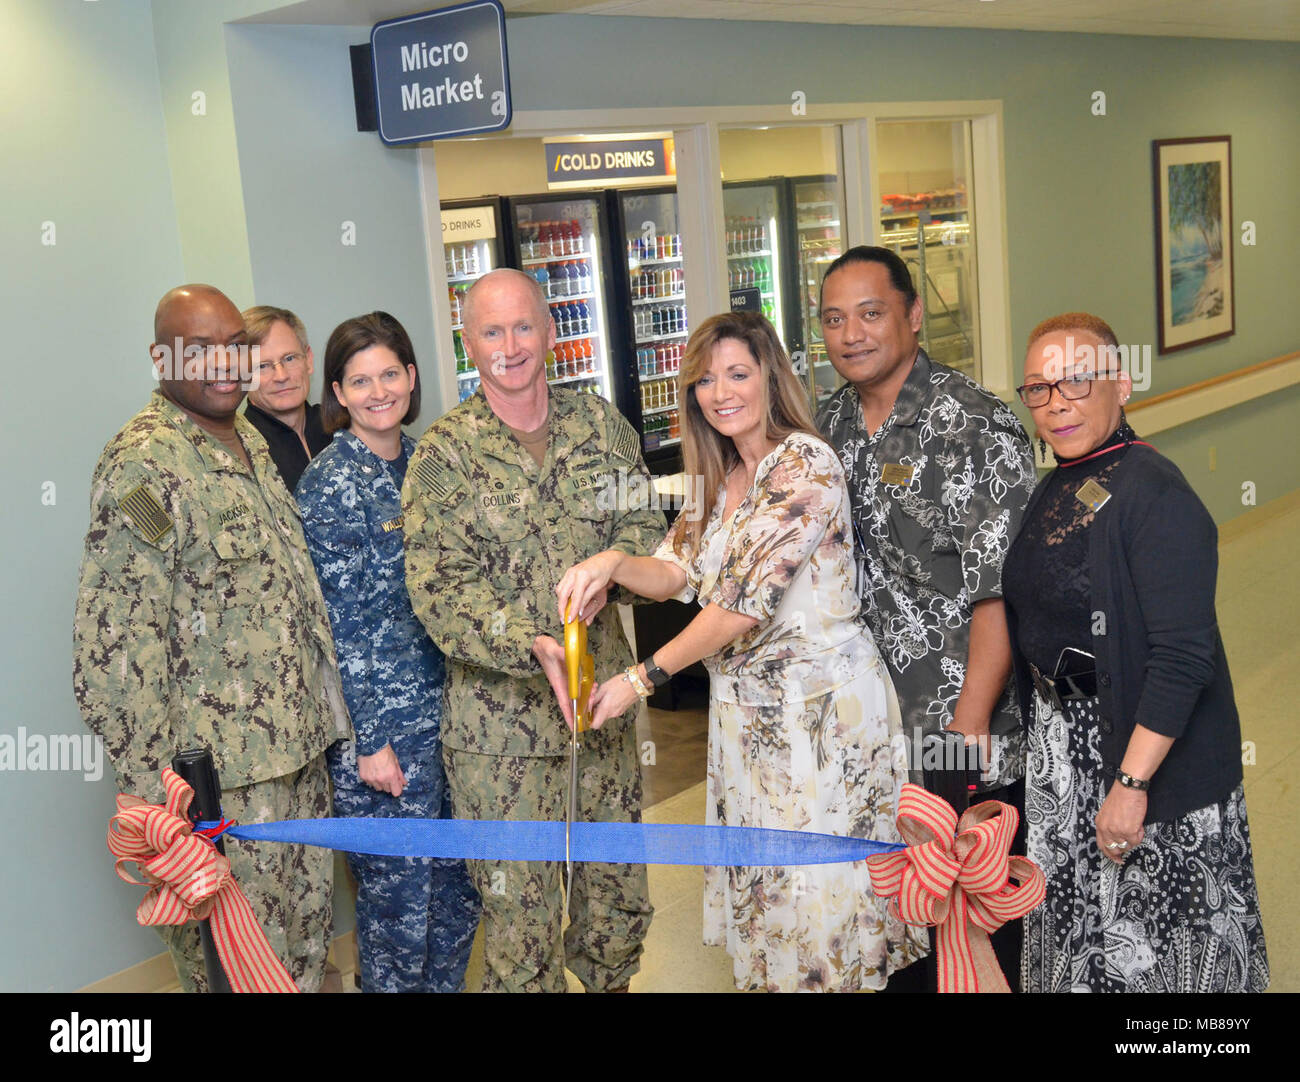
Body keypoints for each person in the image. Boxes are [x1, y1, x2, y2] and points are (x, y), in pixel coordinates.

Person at [557, 311, 928, 993]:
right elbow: (671, 572)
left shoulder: (806, 465)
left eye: (737, 373)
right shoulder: (719, 474)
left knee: (825, 907)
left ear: (769, 377)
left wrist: (637, 681)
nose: (720, 392)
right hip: (747, 719)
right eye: (704, 380)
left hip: (820, 717)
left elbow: (737, 607)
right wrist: (612, 563)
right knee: (774, 902)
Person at [73, 284, 350, 993]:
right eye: (201, 349)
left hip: (296, 762)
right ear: (161, 355)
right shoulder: (143, 464)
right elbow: (115, 653)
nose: (226, 363)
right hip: (217, 793)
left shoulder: (249, 437)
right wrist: (158, 804)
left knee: (305, 959)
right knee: (237, 974)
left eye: (235, 344)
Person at [402, 268, 661, 993]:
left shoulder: (600, 426)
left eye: (523, 328)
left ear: (550, 333)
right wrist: (529, 641)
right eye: (491, 331)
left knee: (616, 908)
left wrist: (614, 570)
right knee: (522, 931)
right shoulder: (443, 456)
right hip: (500, 739)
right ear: (468, 341)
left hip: (601, 714)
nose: (510, 347)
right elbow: (439, 588)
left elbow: (644, 529)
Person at [1003, 312, 1269, 993]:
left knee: (1159, 948)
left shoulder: (1155, 492)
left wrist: (1129, 785)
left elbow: (1183, 655)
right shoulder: (1063, 479)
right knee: (1085, 940)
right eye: (1038, 388)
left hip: (1140, 753)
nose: (1057, 403)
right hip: (1069, 753)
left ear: (1122, 385)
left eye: (1076, 382)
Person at [815, 246, 1036, 990]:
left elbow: (998, 594)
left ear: (913, 315)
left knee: (973, 919)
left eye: (871, 314)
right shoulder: (827, 425)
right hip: (869, 728)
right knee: (897, 918)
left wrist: (964, 735)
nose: (852, 335)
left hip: (957, 725)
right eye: (834, 319)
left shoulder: (975, 427)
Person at [296, 311, 480, 993]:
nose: (378, 391)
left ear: (411, 377)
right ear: (338, 393)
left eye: (390, 374)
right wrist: (369, 741)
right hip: (383, 740)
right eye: (359, 380)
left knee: (457, 895)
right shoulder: (328, 485)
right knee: (399, 906)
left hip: (450, 721)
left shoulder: (428, 463)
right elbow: (337, 628)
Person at [242, 305, 330, 492]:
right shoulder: (240, 450)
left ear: (309, 360)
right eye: (263, 366)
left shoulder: (343, 428)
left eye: (290, 359)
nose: (281, 376)